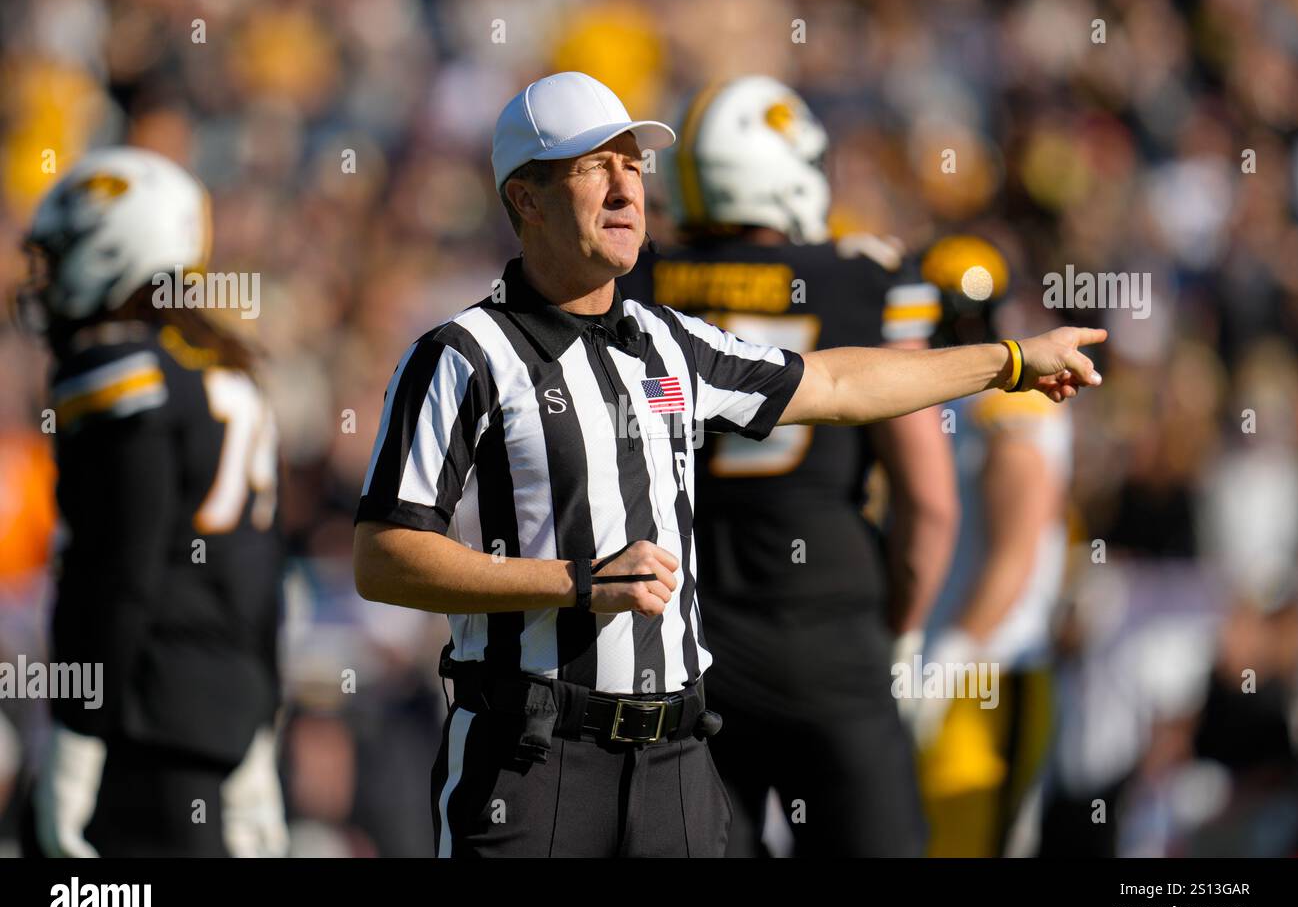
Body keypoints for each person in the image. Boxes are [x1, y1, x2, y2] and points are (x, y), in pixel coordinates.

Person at [352, 71, 1106, 858]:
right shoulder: (461, 355)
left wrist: (1011, 359)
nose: (623, 189)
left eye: (632, 165)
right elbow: (383, 559)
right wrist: (573, 582)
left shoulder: (670, 339)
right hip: (531, 750)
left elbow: (842, 385)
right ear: (525, 200)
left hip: (677, 758)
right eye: (590, 167)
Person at [621, 75, 957, 856]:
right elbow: (931, 504)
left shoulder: (636, 284)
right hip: (829, 637)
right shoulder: (866, 281)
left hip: (681, 645)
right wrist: (897, 632)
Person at [18, 147, 287, 857]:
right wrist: (259, 731)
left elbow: (116, 572)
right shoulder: (229, 372)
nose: (46, 276)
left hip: (137, 727)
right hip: (224, 725)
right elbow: (260, 580)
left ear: (115, 247)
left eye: (63, 251)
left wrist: (77, 728)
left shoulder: (116, 370)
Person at [904, 235, 1070, 857]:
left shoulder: (1013, 403)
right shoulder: (957, 399)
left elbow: (1015, 554)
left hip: (990, 670)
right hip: (949, 662)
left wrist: (948, 659)